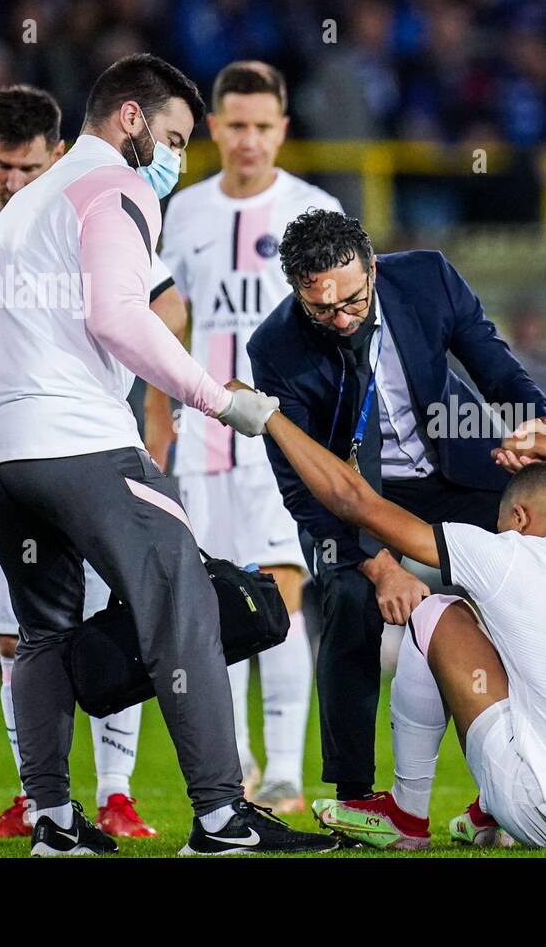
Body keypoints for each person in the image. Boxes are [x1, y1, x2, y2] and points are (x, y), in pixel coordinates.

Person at [0, 53, 335, 856]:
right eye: (174, 136)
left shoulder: (26, 199)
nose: (178, 158)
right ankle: (224, 819)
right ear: (130, 119)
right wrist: (219, 399)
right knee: (185, 599)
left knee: (46, 629)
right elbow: (122, 318)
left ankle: (53, 822)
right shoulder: (114, 187)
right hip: (72, 439)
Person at [0, 84, 173, 841]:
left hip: (84, 449)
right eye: (2, 168)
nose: (15, 183)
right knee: (11, 631)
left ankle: (117, 793)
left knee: (107, 614)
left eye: (28, 168)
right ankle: (40, 799)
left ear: (58, 154)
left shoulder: (92, 208)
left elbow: (162, 302)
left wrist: (149, 408)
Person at [259, 410, 546, 849]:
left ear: (519, 517)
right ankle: (487, 815)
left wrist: (273, 419)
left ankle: (407, 813)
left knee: (436, 611)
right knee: (521, 649)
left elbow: (357, 502)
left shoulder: (509, 554)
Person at [247, 209, 546, 804]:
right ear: (296, 293)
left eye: (354, 302)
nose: (341, 319)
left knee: (539, 565)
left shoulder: (428, 278)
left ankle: (533, 774)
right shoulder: (276, 348)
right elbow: (301, 487)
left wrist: (531, 420)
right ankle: (355, 797)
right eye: (322, 310)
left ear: (373, 268)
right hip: (352, 499)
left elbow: (489, 358)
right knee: (351, 598)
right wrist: (380, 565)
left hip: (459, 472)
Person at [145, 62, 341, 811]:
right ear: (214, 129)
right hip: (201, 438)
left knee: (284, 590)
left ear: (282, 130)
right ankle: (237, 765)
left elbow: (341, 326)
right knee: (217, 598)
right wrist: (158, 415)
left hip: (282, 440)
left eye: (264, 127)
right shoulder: (179, 212)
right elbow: (166, 323)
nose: (249, 140)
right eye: (236, 126)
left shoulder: (314, 212)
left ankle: (288, 769)